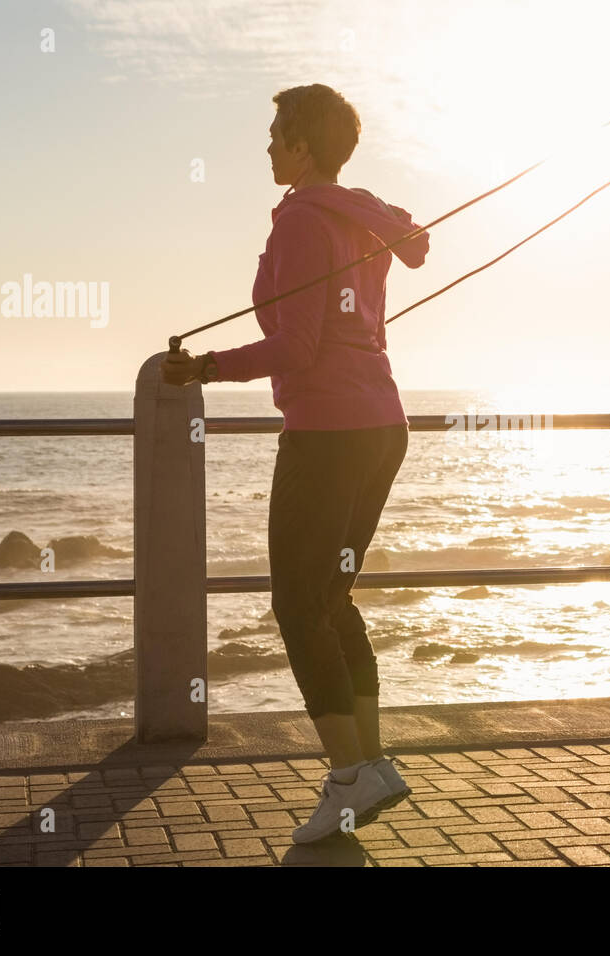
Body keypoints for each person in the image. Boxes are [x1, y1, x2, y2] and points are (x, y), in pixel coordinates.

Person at [161, 83, 430, 844]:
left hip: (329, 432)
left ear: (304, 144)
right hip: (382, 423)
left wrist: (204, 367)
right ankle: (370, 764)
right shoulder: (359, 211)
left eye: (278, 132)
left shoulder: (305, 224)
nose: (269, 144)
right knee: (332, 600)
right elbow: (417, 241)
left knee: (295, 604)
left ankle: (350, 776)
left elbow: (296, 347)